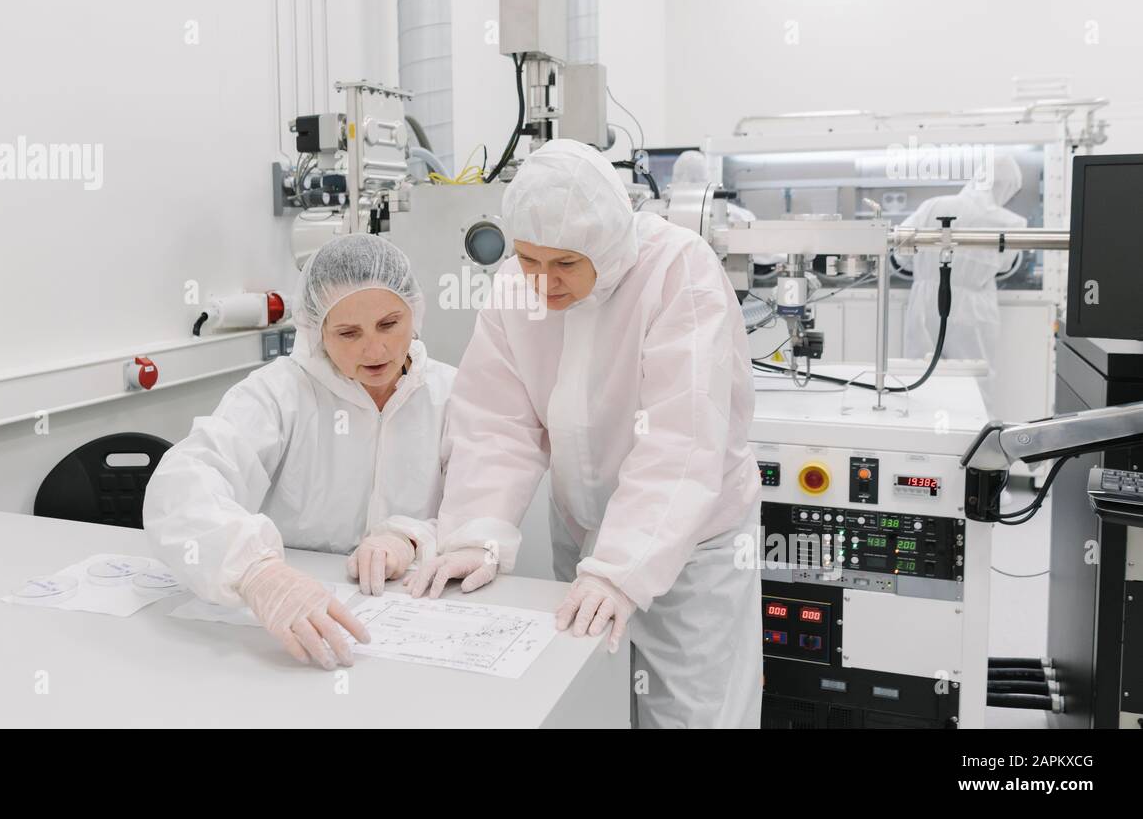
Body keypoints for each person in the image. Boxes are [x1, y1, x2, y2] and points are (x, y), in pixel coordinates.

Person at [409, 139, 763, 728]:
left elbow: (681, 438)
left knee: (691, 714)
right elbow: (497, 424)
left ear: (606, 242)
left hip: (692, 547)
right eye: (528, 259)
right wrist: (478, 532)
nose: (543, 282)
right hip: (585, 535)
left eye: (565, 264)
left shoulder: (678, 272)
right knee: (592, 704)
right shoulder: (514, 289)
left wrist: (621, 567)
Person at [143, 234, 456, 669]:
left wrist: (413, 536)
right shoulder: (279, 393)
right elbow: (183, 485)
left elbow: (485, 511)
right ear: (315, 331)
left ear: (414, 313)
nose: (375, 349)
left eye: (389, 324)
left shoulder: (452, 395)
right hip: (293, 627)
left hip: (422, 623)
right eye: (348, 332)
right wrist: (258, 574)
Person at [898, 155, 1027, 412]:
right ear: (1006, 187)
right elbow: (1005, 268)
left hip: (924, 301)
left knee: (918, 379)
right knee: (975, 385)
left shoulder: (933, 205)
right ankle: (972, 445)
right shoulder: (1010, 222)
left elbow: (900, 252)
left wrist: (927, 268)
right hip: (974, 310)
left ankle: (923, 445)